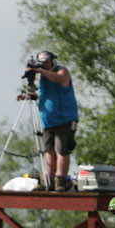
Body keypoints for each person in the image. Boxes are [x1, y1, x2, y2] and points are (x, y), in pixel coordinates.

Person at [18, 50, 79, 191]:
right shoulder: (43, 76)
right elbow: (43, 92)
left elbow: (58, 79)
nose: (44, 65)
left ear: (52, 61)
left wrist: (39, 70)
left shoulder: (61, 71)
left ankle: (61, 181)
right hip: (48, 120)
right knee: (48, 150)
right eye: (42, 63)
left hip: (64, 119)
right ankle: (49, 181)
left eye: (46, 62)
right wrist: (27, 94)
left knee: (62, 150)